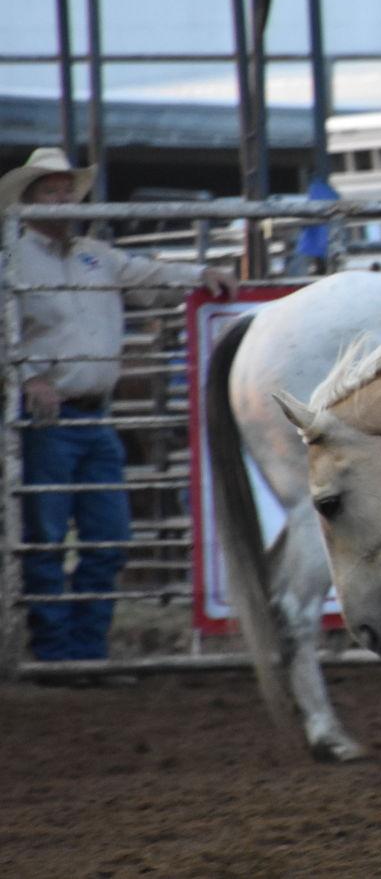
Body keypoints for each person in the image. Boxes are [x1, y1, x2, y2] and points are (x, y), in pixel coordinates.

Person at [3, 147, 238, 681]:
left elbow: (148, 272)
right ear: (29, 198)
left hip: (93, 417)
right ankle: (57, 656)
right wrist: (26, 377)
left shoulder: (95, 255)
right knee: (45, 539)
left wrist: (202, 272)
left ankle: (84, 653)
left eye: (66, 189)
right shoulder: (12, 259)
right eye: (50, 190)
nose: (62, 197)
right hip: (45, 419)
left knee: (107, 537)